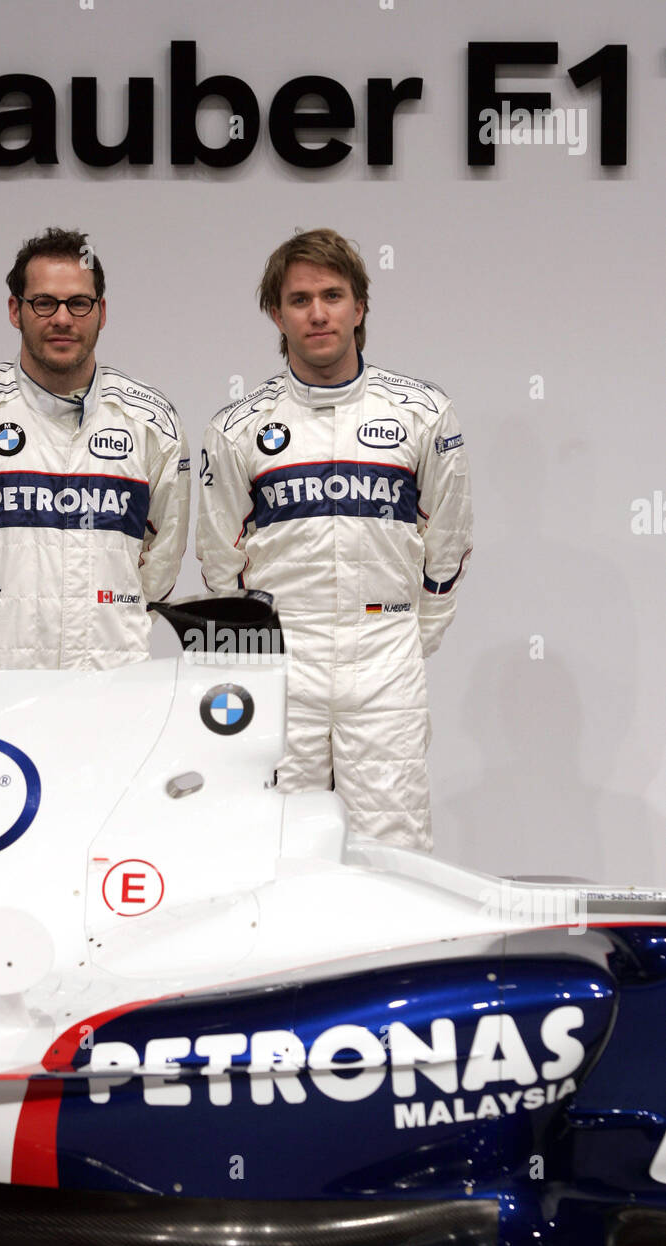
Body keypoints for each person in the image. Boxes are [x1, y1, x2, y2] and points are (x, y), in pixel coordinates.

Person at [196, 228, 472, 850]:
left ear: (360, 306)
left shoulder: (423, 413)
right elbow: (219, 559)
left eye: (332, 295)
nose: (317, 313)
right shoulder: (237, 427)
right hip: (283, 662)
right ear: (277, 313)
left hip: (385, 656)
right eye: (299, 300)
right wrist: (263, 648)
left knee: (392, 851)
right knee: (272, 848)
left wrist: (401, 631)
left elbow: (448, 539)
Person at [0, 227, 189, 675]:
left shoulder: (152, 424)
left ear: (102, 312)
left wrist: (110, 623)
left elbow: (160, 570)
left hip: (109, 680)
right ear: (16, 310)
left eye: (79, 303)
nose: (62, 318)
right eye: (44, 302)